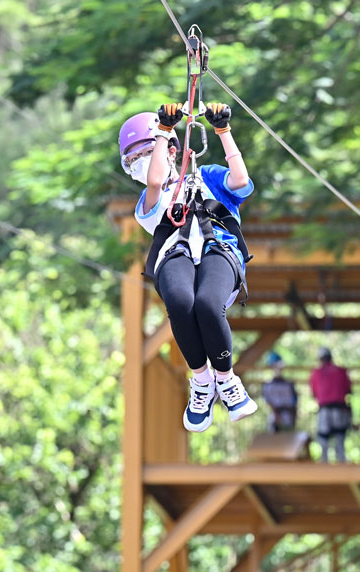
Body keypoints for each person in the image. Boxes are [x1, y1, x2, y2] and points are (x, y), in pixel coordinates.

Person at [119, 102, 258, 433]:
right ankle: (202, 380)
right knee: (180, 304)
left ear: (171, 151)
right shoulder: (147, 205)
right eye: (134, 160)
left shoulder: (207, 175)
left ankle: (226, 380)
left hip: (218, 248)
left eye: (146, 153)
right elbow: (154, 182)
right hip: (176, 253)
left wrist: (222, 131)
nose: (142, 163)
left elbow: (240, 180)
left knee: (208, 304)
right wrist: (164, 130)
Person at [309, 347, 352, 463]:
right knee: (339, 439)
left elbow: (314, 393)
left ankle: (324, 467)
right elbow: (348, 389)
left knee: (324, 440)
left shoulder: (316, 373)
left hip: (324, 410)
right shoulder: (340, 371)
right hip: (339, 409)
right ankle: (341, 464)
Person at [262, 352, 298, 432]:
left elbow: (294, 401)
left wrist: (293, 416)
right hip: (275, 421)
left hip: (289, 418)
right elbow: (269, 401)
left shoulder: (289, 384)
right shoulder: (267, 385)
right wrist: (276, 414)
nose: (278, 369)